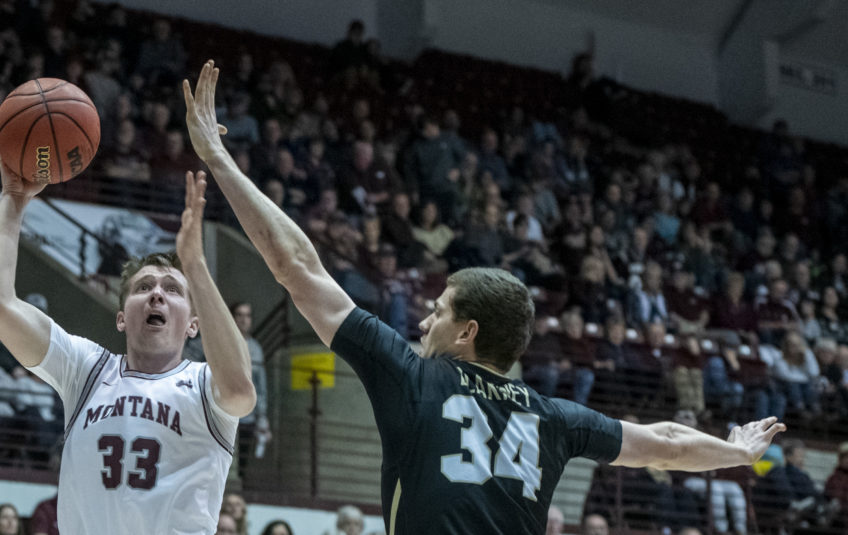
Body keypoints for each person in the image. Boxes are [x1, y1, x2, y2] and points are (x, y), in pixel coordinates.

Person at [184, 59, 787, 534]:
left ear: (468, 330)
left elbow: (296, 265)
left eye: (439, 309)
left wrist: (219, 158)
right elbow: (670, 443)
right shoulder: (555, 418)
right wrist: (736, 451)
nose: (424, 319)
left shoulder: (411, 375)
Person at [0, 132, 255, 534]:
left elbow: (241, 391)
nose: (157, 293)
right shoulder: (85, 369)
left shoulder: (203, 384)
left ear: (195, 324)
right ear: (121, 317)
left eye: (172, 290)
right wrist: (13, 202)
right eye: (144, 288)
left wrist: (195, 267)